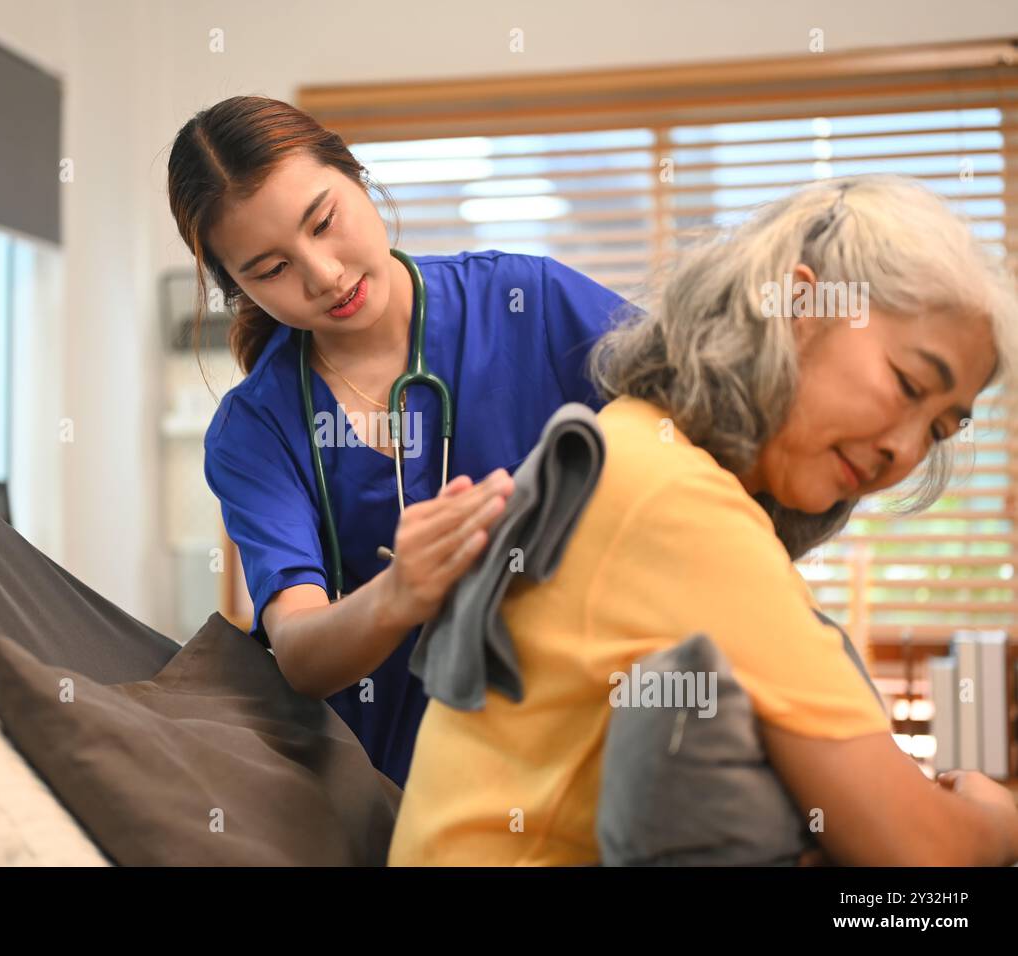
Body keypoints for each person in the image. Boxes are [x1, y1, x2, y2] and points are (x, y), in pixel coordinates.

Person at [389, 174, 1018, 865]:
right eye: (908, 385)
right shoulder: (674, 501)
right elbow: (916, 850)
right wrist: (998, 822)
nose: (904, 449)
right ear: (798, 305)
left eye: (939, 430)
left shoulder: (636, 443)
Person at [166, 95, 631, 787]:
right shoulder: (255, 431)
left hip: (593, 754)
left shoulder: (527, 303)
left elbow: (700, 415)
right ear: (237, 290)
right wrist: (398, 594)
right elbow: (298, 647)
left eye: (324, 223)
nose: (322, 275)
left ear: (356, 176)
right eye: (270, 270)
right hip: (402, 792)